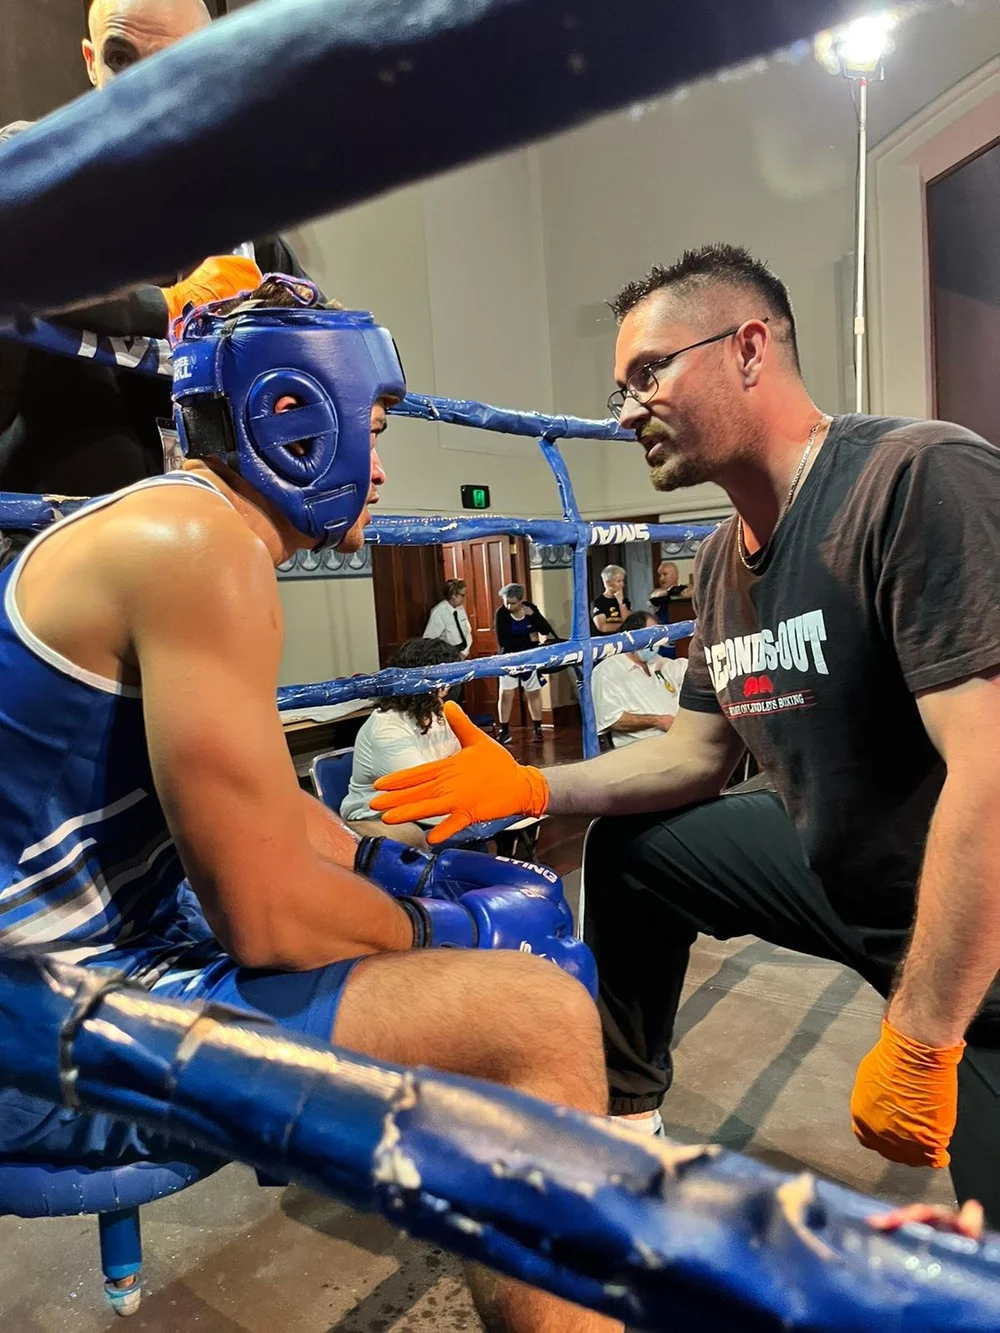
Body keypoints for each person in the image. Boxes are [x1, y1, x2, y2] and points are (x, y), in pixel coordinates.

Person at [0, 275, 615, 1333]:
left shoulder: (183, 530)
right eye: (367, 426)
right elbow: (269, 920)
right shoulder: (199, 549)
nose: (380, 464)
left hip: (94, 957)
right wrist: (436, 928)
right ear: (292, 417)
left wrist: (390, 868)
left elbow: (278, 817)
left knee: (494, 929)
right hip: (43, 1030)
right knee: (538, 1014)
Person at [372, 243, 1000, 1221]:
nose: (625, 411)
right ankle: (622, 1130)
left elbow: (993, 776)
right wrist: (539, 789)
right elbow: (697, 755)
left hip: (982, 936)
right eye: (617, 386)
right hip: (850, 877)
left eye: (648, 373)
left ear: (749, 347)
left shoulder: (912, 481)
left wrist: (924, 1035)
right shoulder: (719, 564)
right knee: (638, 850)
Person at [0, 0, 314, 561]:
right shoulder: (26, 163)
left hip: (204, 550)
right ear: (91, 61)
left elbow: (327, 341)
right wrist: (171, 305)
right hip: (44, 557)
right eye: (123, 57)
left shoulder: (246, 230)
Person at [342, 637, 461, 848]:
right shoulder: (387, 728)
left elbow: (460, 760)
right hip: (374, 817)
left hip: (421, 806)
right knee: (418, 838)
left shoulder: (435, 715)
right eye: (445, 681)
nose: (448, 688)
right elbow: (424, 786)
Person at [592, 611, 687, 747]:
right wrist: (657, 721)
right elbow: (612, 719)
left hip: (678, 741)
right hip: (640, 749)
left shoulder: (660, 663)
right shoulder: (608, 670)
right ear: (631, 637)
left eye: (657, 638)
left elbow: (689, 669)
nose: (654, 643)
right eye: (649, 637)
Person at [494, 583, 559, 747]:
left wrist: (534, 617)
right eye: (506, 602)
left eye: (513, 603)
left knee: (533, 693)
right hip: (509, 658)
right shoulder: (501, 614)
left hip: (531, 658)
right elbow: (504, 640)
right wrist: (529, 638)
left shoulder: (531, 609)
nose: (509, 606)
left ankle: (537, 728)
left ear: (521, 601)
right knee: (506, 694)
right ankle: (504, 730)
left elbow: (546, 630)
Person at [423, 578, 473, 657]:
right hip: (448, 655)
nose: (464, 598)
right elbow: (429, 640)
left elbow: (467, 631)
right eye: (462, 595)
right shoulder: (439, 612)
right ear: (453, 595)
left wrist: (464, 653)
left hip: (462, 653)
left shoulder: (460, 608)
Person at [591, 564, 630, 634]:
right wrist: (624, 626)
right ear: (608, 583)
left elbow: (629, 621)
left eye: (622, 580)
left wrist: (621, 602)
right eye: (619, 581)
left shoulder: (625, 601)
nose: (622, 584)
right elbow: (603, 627)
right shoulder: (598, 602)